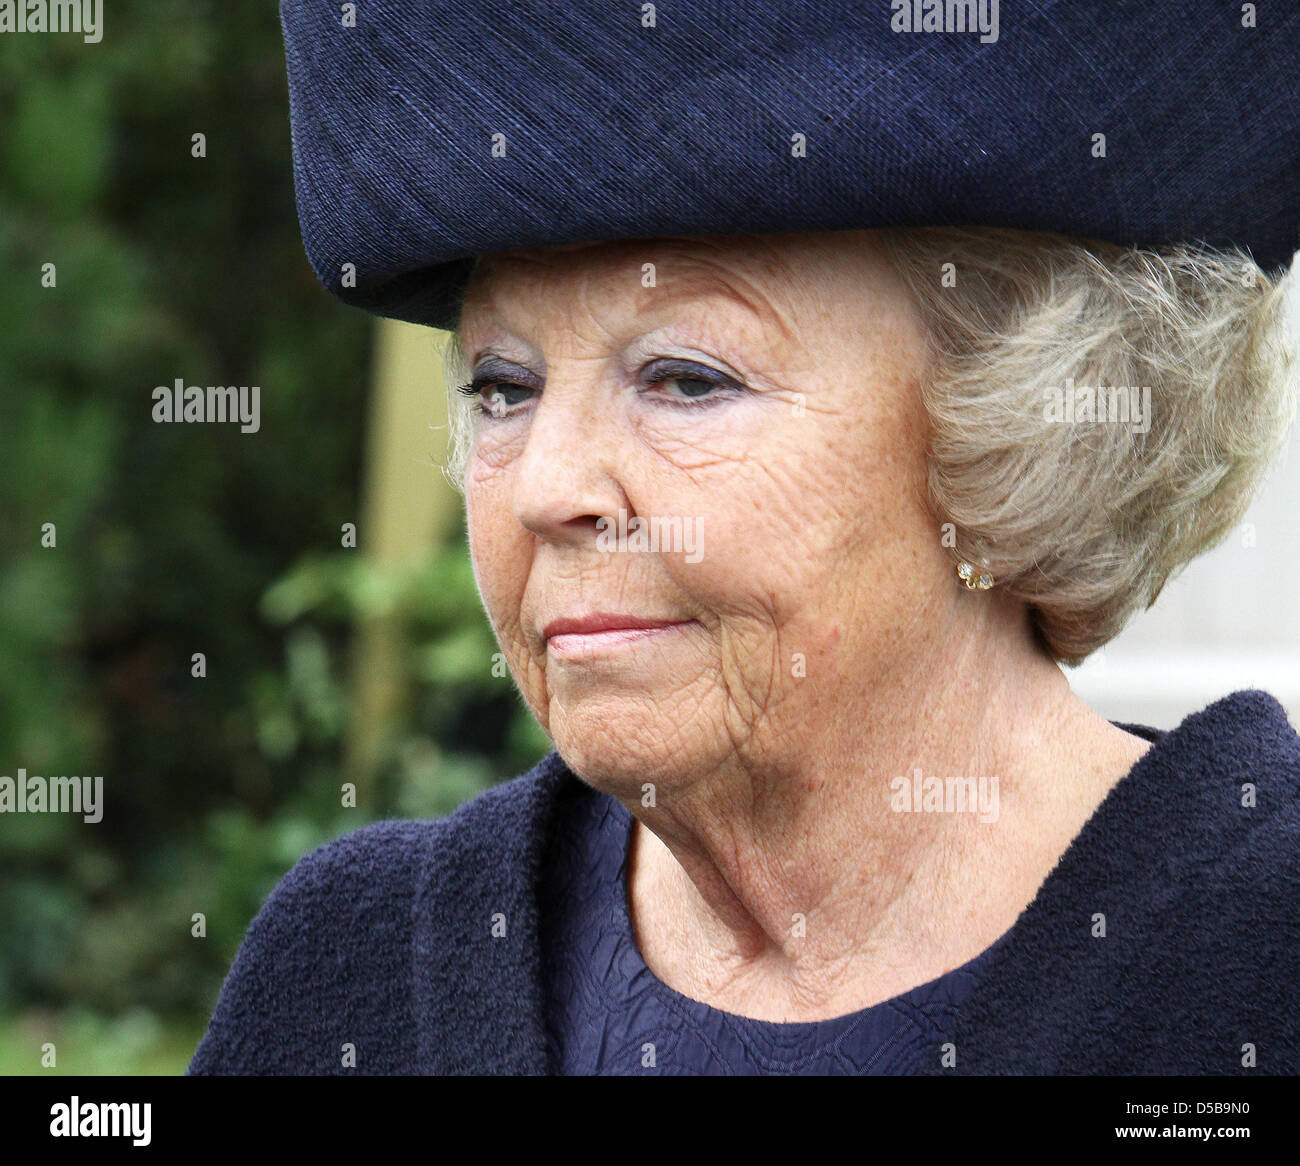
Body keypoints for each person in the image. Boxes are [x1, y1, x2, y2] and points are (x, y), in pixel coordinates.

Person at [189, 2, 1300, 1074]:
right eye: (502, 385)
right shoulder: (348, 969)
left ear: (1019, 433)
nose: (545, 486)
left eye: (686, 378)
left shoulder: (1261, 968)